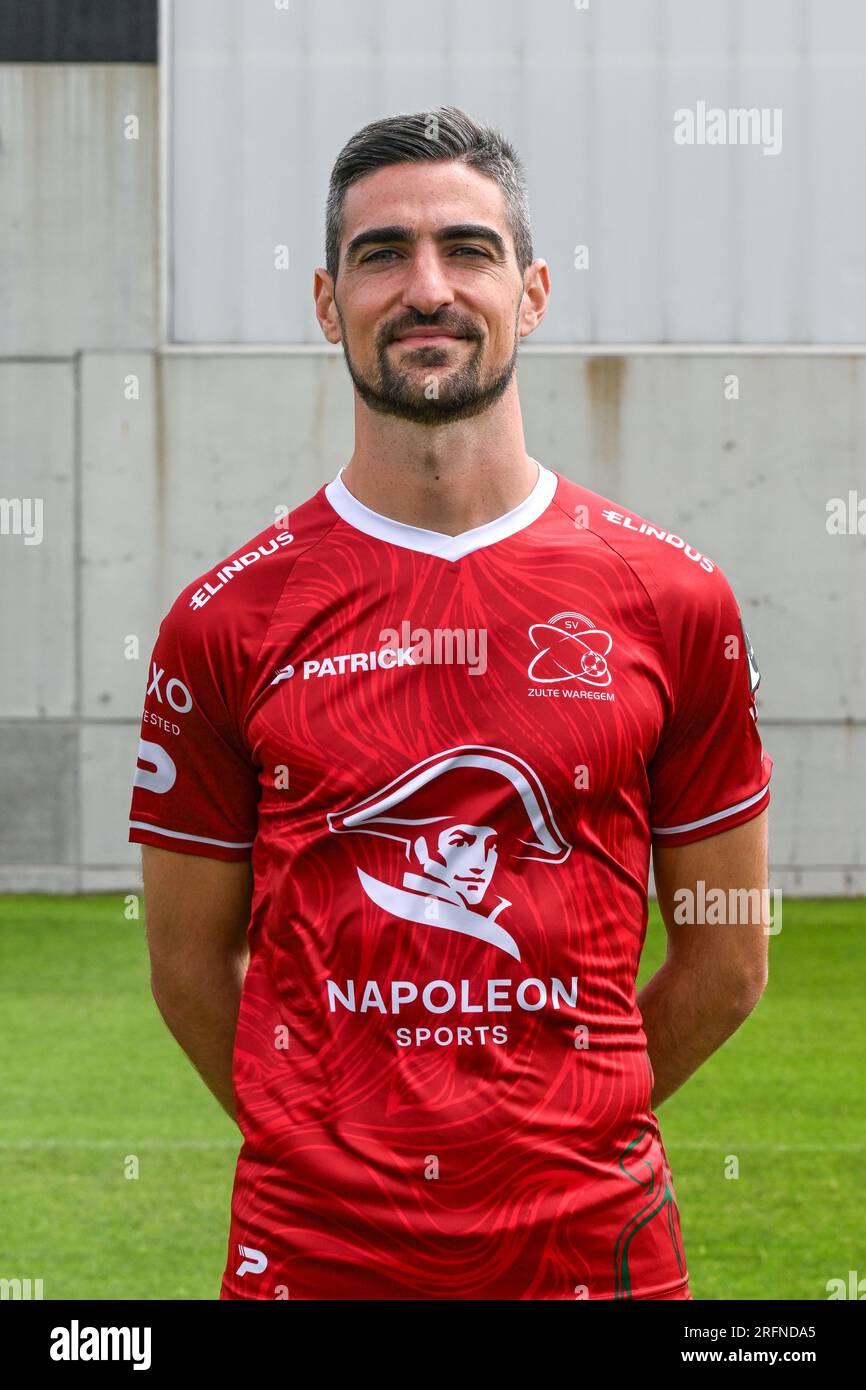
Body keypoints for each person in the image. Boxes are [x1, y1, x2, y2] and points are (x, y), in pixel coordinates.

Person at [129, 106, 772, 1301]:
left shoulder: (669, 598)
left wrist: (553, 1138)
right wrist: (327, 1144)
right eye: (381, 255)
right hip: (313, 1257)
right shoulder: (225, 619)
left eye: (465, 250)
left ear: (528, 293)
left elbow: (727, 959)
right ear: (327, 304)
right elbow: (184, 965)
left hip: (592, 1251)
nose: (425, 287)